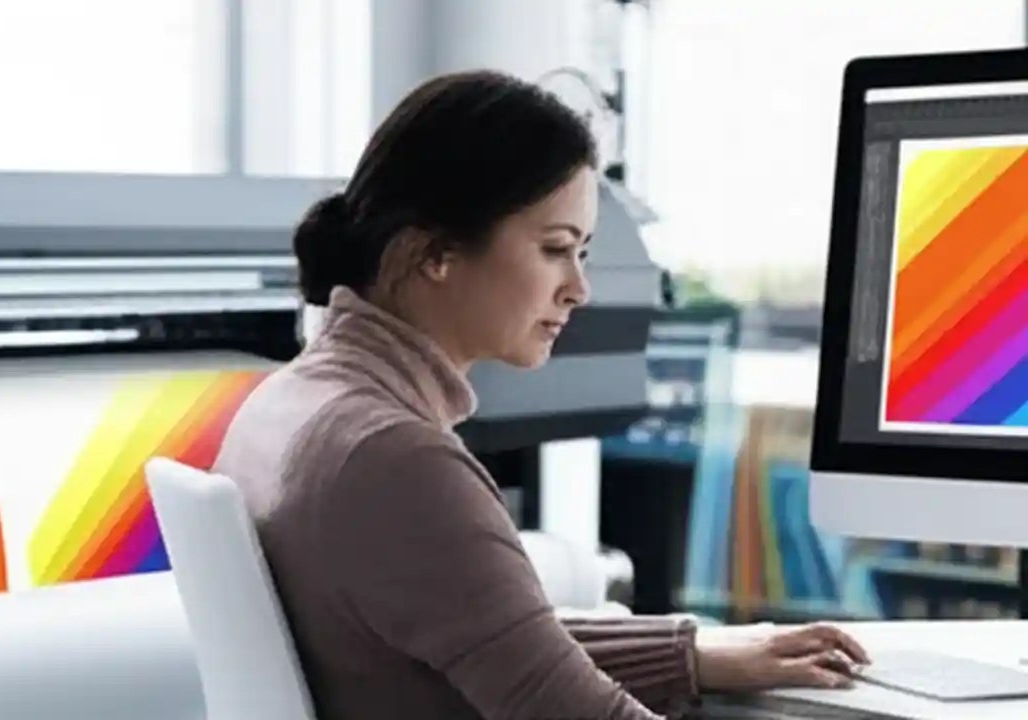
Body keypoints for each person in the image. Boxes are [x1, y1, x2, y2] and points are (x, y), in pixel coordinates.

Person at [212, 70, 869, 720]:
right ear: (434, 253)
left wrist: (691, 653)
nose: (579, 288)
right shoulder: (397, 460)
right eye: (556, 249)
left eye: (582, 251)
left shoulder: (288, 403)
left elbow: (487, 638)